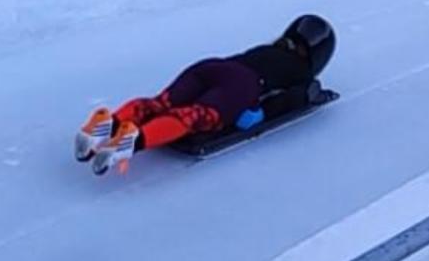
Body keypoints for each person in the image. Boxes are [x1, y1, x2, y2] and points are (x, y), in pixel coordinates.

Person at [75, 15, 336, 175]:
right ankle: (132, 141)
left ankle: (106, 124)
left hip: (213, 66)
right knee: (195, 116)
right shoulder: (301, 71)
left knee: (159, 103)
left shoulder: (265, 48)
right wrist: (265, 112)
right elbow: (289, 100)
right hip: (244, 83)